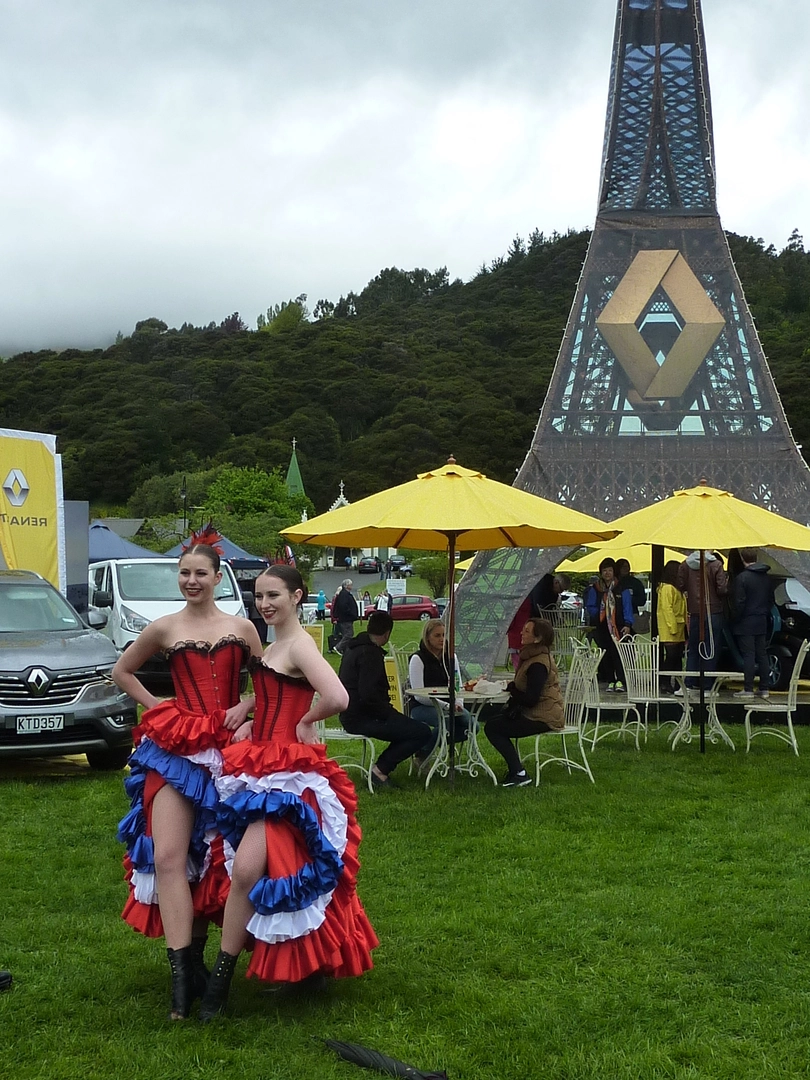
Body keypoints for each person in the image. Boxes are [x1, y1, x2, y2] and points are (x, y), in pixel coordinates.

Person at [198, 564, 378, 1021]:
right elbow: (274, 687)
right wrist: (249, 706)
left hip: (289, 772)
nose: (264, 604)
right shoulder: (277, 644)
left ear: (298, 596)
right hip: (260, 765)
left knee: (250, 869)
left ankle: (220, 980)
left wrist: (305, 720)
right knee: (276, 868)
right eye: (259, 596)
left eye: (274, 595)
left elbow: (337, 696)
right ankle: (284, 969)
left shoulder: (299, 644)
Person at [112, 544, 264, 1020]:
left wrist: (246, 708)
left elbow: (270, 679)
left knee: (226, 859)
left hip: (231, 749)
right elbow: (122, 671)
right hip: (178, 748)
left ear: (219, 577)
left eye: (201, 573)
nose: (192, 580)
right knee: (171, 856)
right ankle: (181, 977)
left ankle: (211, 969)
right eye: (184, 573)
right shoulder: (164, 627)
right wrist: (157, 705)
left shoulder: (242, 627)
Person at [338, 611, 431, 789]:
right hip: (364, 717)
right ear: (387, 633)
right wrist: (389, 714)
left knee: (408, 728)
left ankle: (382, 767)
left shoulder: (354, 648)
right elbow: (368, 694)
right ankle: (380, 770)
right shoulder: (370, 654)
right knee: (421, 732)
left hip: (351, 714)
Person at [484, 618, 564, 788]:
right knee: (495, 721)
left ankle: (519, 773)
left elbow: (531, 699)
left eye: (527, 631)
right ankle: (516, 771)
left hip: (543, 717)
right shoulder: (532, 657)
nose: (521, 632)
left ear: (538, 638)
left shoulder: (538, 664)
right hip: (538, 712)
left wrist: (511, 688)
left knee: (493, 728)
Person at [407, 619, 471, 765]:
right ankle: (423, 754)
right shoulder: (418, 659)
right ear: (428, 637)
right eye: (437, 636)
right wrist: (447, 707)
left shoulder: (451, 657)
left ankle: (427, 746)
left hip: (450, 705)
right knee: (447, 723)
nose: (442, 639)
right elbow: (419, 695)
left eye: (444, 635)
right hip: (422, 706)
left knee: (471, 725)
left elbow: (457, 684)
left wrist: (458, 702)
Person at [676, 551, 729, 691]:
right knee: (710, 647)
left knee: (693, 648)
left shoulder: (685, 565)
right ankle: (707, 685)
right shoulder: (716, 565)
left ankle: (689, 682)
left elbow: (680, 585)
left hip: (694, 611)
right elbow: (722, 589)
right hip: (713, 611)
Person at [730, 547, 774, 700]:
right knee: (762, 654)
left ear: (743, 559)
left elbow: (739, 602)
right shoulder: (767, 578)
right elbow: (771, 601)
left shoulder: (742, 578)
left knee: (749, 655)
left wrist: (735, 618)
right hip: (761, 620)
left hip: (745, 622)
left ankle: (748, 688)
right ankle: (764, 688)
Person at [658, 559, 687, 691]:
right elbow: (667, 609)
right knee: (671, 657)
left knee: (677, 659)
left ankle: (677, 683)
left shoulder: (676, 588)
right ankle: (664, 682)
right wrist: (672, 627)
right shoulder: (667, 588)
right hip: (670, 630)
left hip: (679, 628)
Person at [331, 579, 359, 654]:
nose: (351, 586)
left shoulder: (345, 594)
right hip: (346, 618)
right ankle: (338, 647)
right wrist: (350, 613)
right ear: (346, 586)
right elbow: (343, 606)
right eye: (350, 584)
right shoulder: (344, 594)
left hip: (346, 618)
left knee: (346, 634)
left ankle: (346, 650)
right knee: (348, 634)